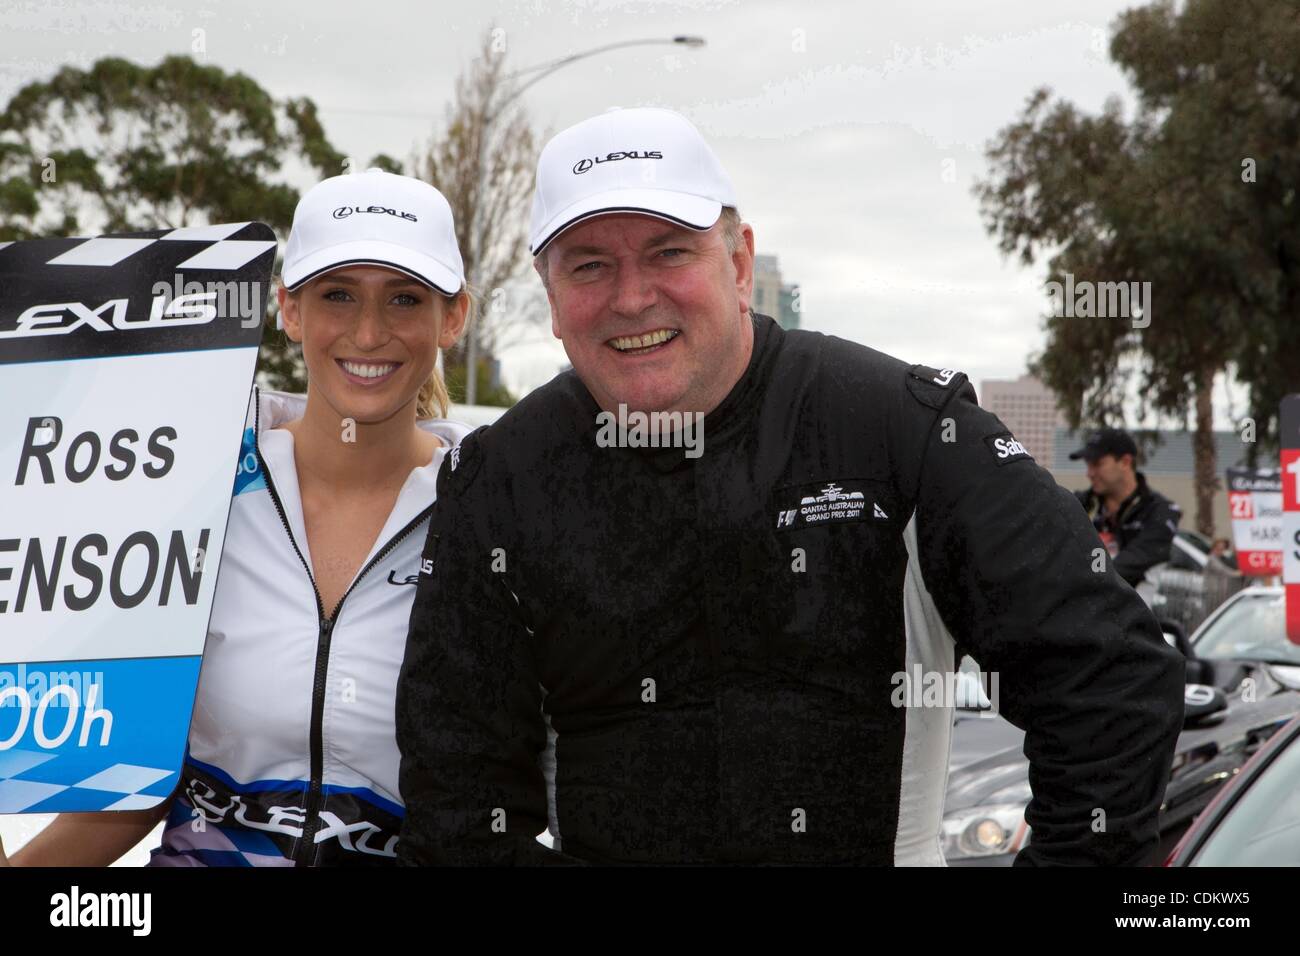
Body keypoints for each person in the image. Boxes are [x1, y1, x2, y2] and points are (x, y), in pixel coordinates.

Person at [394, 107, 1185, 866]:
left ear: (738, 265)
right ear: (553, 300)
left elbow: (1111, 682)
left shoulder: (903, 429)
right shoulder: (502, 477)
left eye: (669, 252)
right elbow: (456, 791)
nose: (631, 297)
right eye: (590, 266)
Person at [1, 168, 470, 867]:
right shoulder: (191, 478)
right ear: (288, 309)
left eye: (405, 299)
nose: (370, 332)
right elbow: (135, 768)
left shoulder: (493, 509)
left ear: (452, 318)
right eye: (337, 295)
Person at [1070, 427, 1181, 595]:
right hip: (1081, 614)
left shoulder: (1160, 512)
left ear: (1125, 462)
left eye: (1097, 464)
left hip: (1133, 615)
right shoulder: (1076, 505)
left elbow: (1128, 566)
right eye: (1088, 465)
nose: (1090, 473)